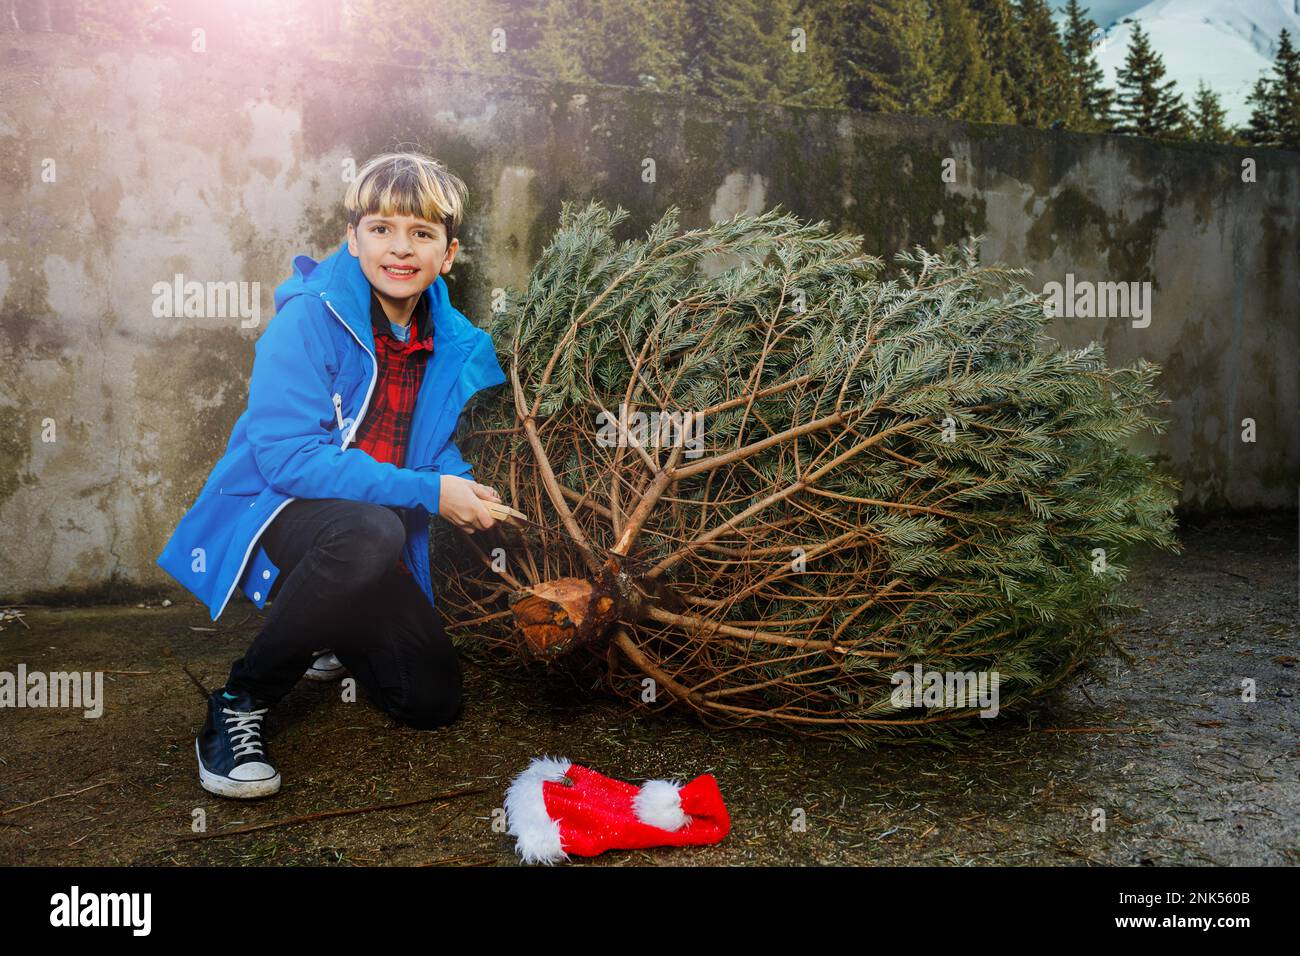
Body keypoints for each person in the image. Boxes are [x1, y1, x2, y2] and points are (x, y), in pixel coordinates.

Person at [156, 151, 507, 798]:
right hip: (286, 507)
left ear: (448, 254)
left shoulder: (452, 343)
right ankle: (240, 702)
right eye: (382, 229)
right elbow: (288, 458)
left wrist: (467, 490)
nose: (400, 249)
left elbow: (431, 450)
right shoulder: (308, 320)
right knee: (371, 535)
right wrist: (429, 495)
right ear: (353, 237)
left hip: (365, 522)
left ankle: (326, 616)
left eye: (422, 234)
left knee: (430, 700)